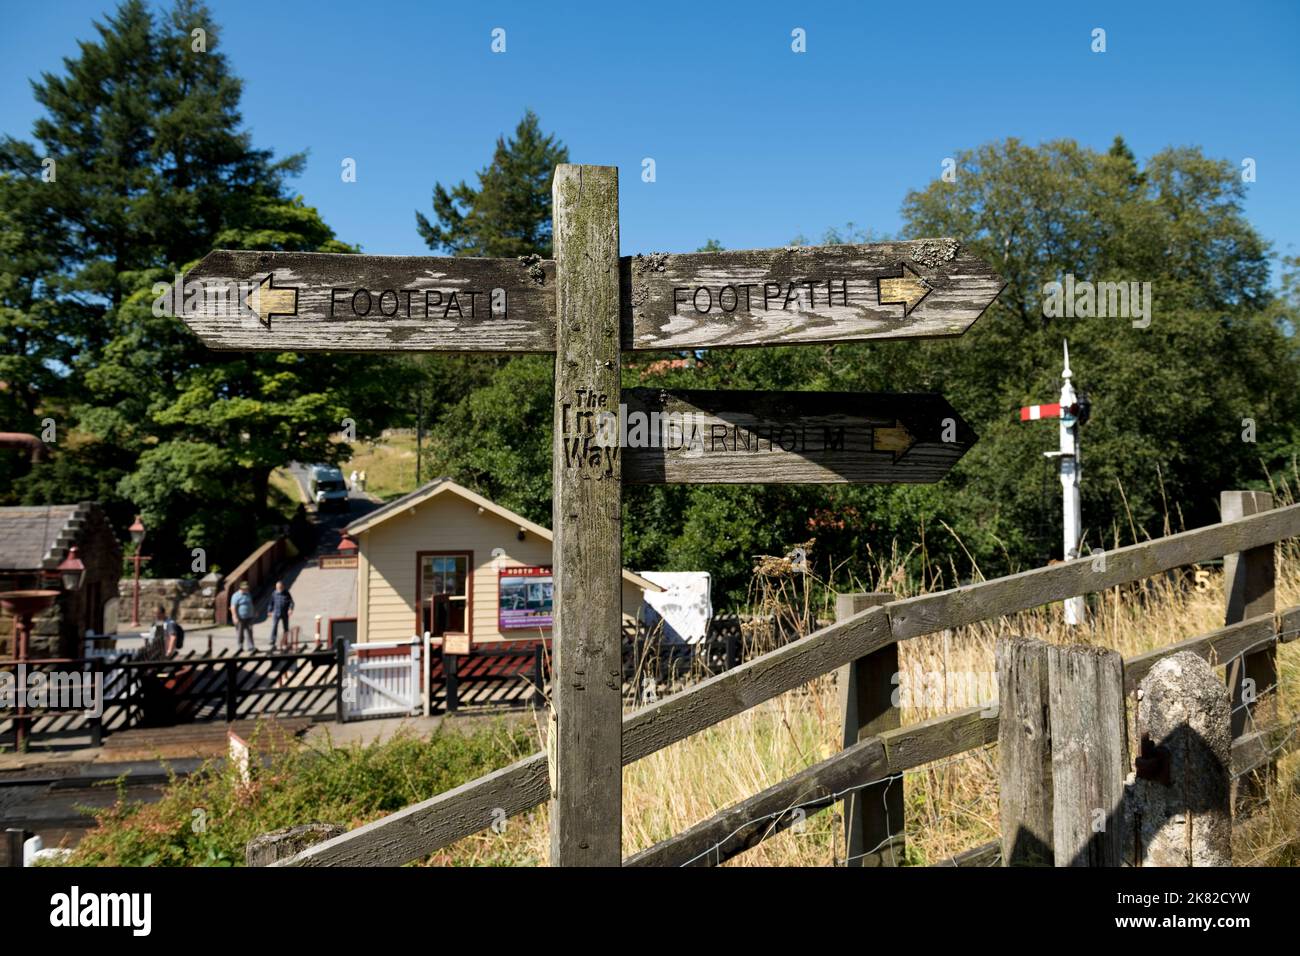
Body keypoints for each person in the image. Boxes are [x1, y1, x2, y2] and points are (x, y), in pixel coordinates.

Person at [268, 579, 294, 651]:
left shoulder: (286, 593)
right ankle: (272, 640)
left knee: (285, 627)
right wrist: (269, 611)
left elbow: (291, 603)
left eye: (280, 587)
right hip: (276, 613)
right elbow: (271, 603)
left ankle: (285, 641)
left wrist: (290, 609)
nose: (279, 588)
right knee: (274, 626)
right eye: (277, 587)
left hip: (285, 613)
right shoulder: (274, 594)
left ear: (283, 587)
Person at [230, 580, 256, 653]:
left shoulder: (248, 594)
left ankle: (251, 647)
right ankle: (240, 646)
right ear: (241, 588)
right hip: (240, 618)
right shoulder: (236, 595)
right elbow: (233, 607)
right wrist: (234, 617)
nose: (247, 589)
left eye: (247, 588)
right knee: (240, 633)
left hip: (249, 617)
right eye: (245, 588)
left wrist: (253, 612)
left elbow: (250, 604)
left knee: (250, 632)